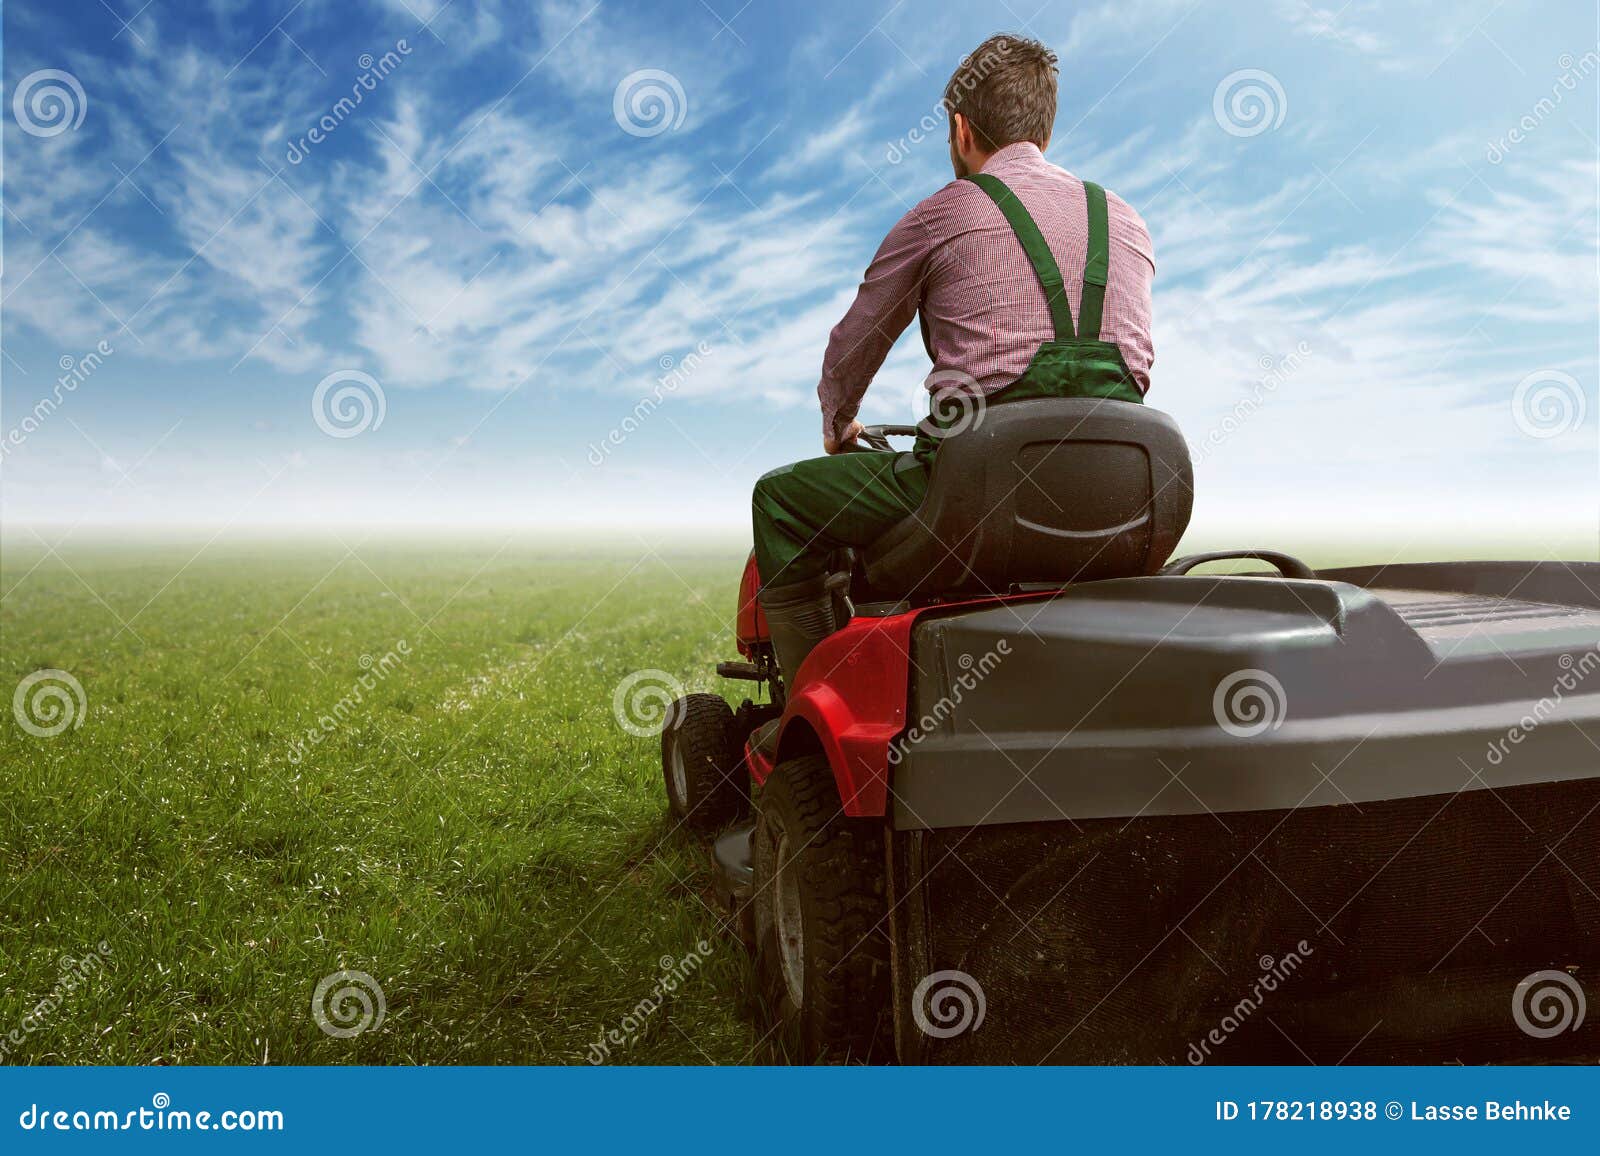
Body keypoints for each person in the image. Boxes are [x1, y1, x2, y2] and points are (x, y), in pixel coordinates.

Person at [751, 33, 1157, 686]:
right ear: (1044, 129)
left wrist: (840, 424)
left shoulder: (940, 215)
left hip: (984, 485)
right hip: (1125, 489)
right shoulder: (1127, 220)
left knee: (777, 500)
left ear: (962, 130)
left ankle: (813, 695)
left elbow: (853, 346)